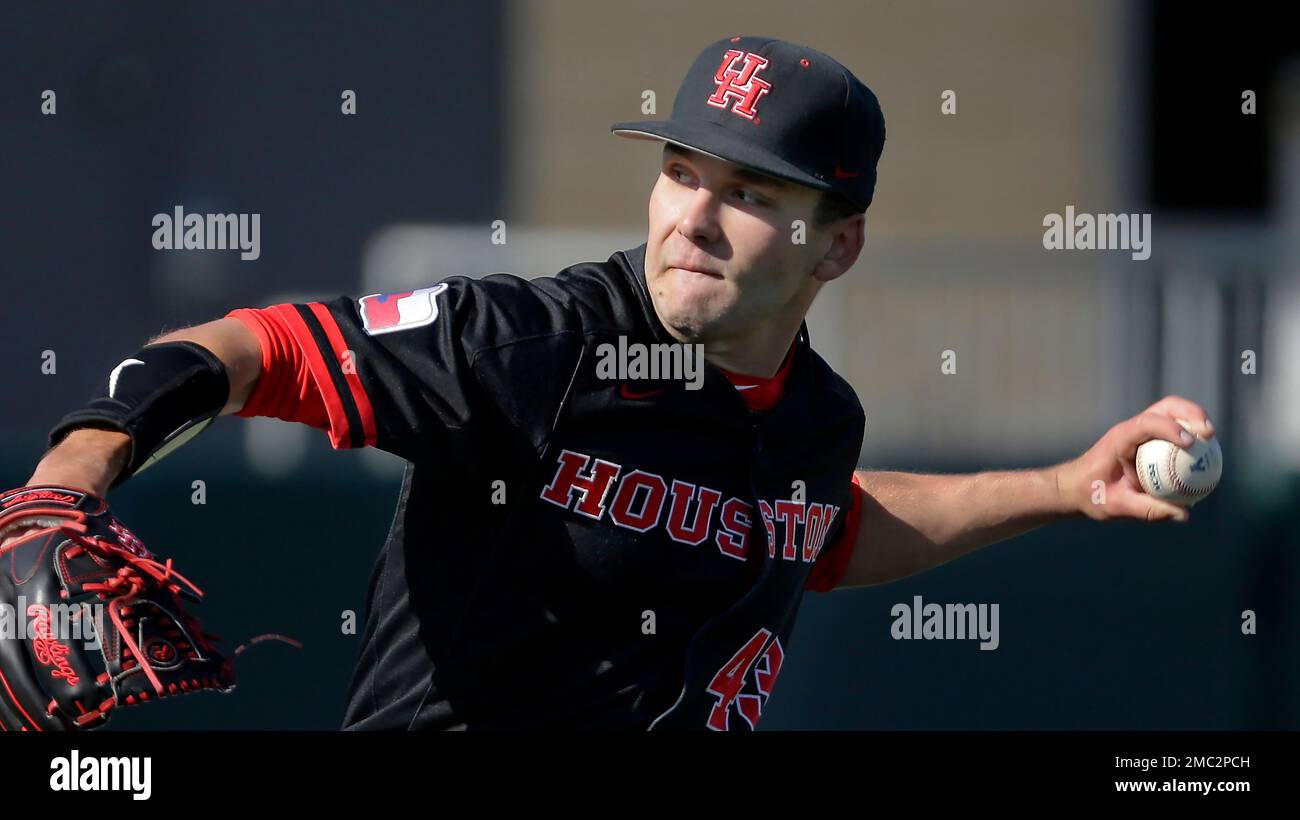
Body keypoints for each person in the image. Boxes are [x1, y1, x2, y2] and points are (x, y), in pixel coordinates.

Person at [4, 35, 1212, 731]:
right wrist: (70, 474)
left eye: (749, 192)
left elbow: (817, 528)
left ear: (836, 243)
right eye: (683, 170)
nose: (695, 215)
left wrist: (1063, 484)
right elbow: (254, 347)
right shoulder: (530, 342)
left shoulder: (814, 419)